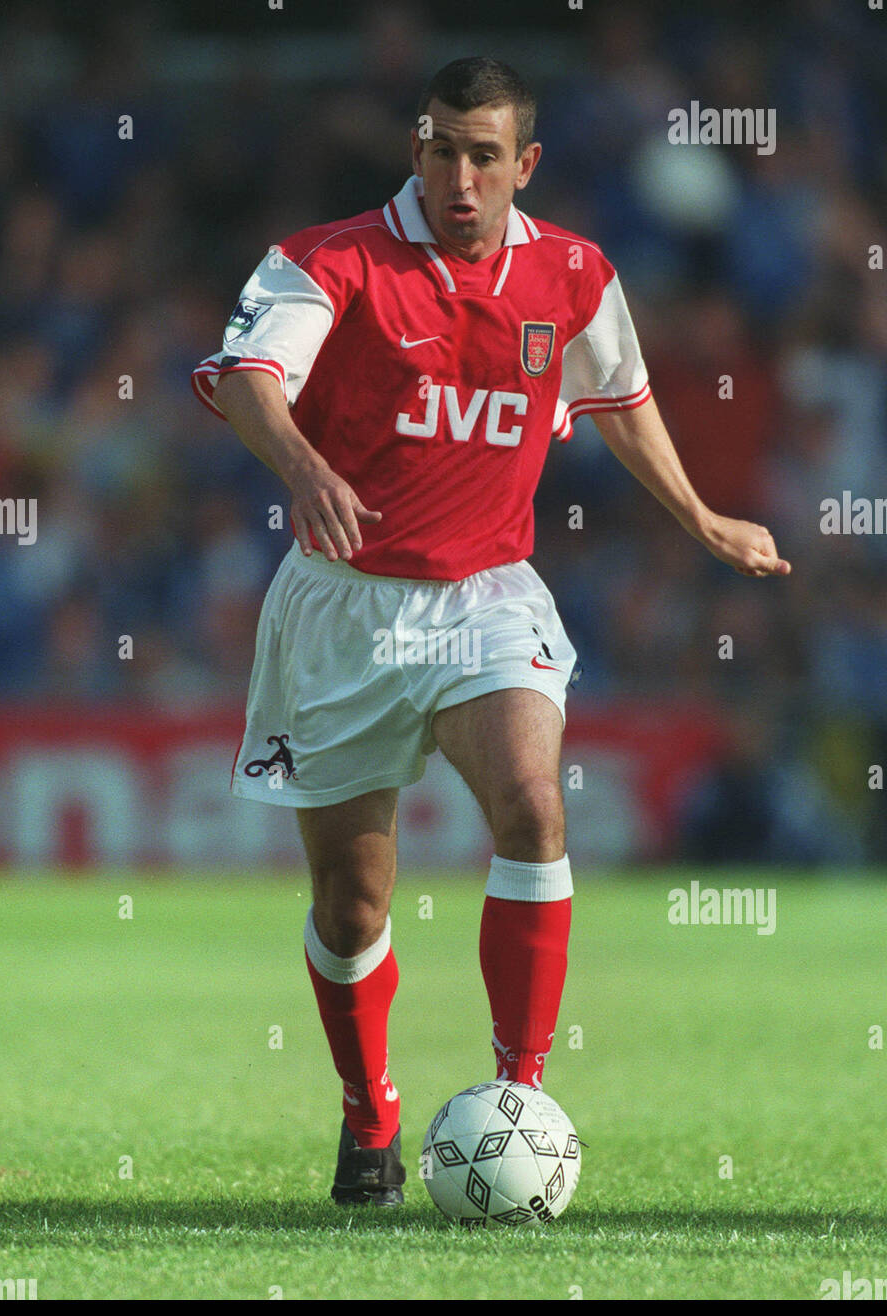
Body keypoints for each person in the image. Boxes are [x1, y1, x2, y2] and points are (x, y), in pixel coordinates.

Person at [192, 57, 790, 1207]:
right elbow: (248, 377)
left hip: (487, 593)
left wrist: (702, 517)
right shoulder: (329, 261)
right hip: (342, 605)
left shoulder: (572, 272)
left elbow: (620, 402)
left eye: (481, 155)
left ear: (524, 164)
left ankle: (517, 1099)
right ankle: (369, 1111)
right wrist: (306, 464)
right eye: (437, 148)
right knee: (351, 902)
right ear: (412, 149)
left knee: (532, 800)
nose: (456, 176)